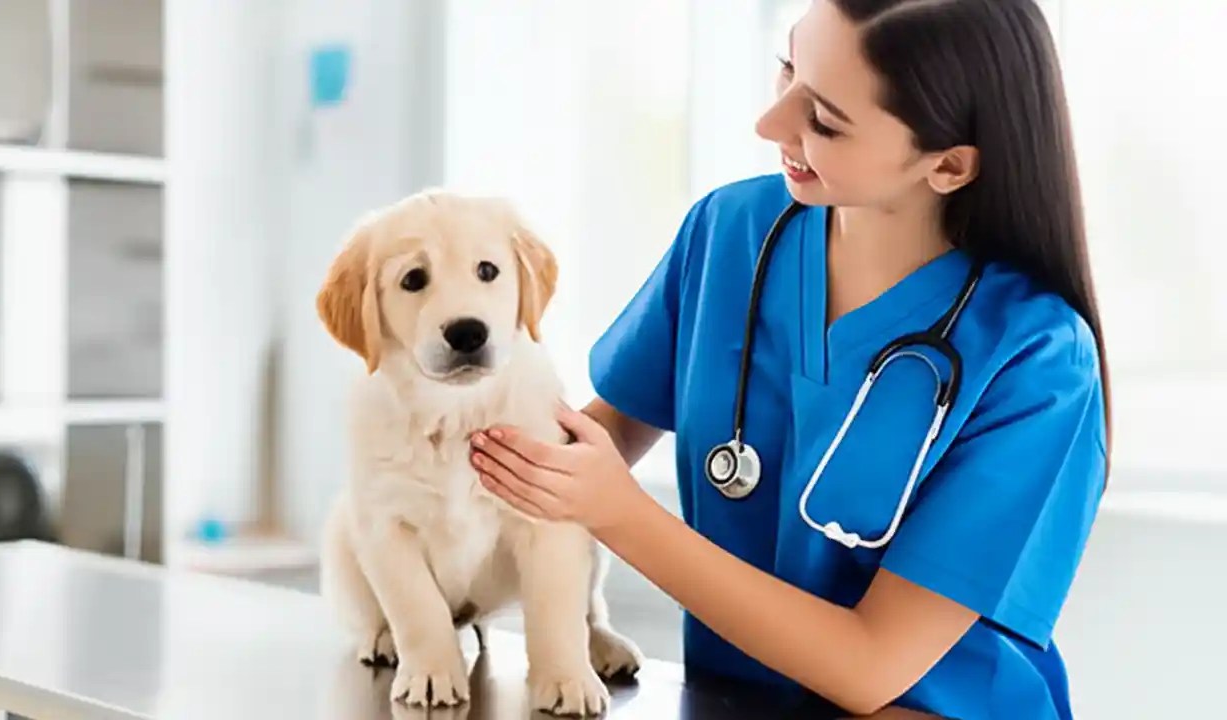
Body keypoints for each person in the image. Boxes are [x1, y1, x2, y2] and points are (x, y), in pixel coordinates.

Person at [469, 0, 1109, 717]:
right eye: (788, 68)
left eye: (825, 120)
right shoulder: (729, 232)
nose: (770, 125)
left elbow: (873, 664)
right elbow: (600, 437)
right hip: (735, 700)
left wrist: (621, 516)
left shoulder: (1036, 359)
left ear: (950, 165)